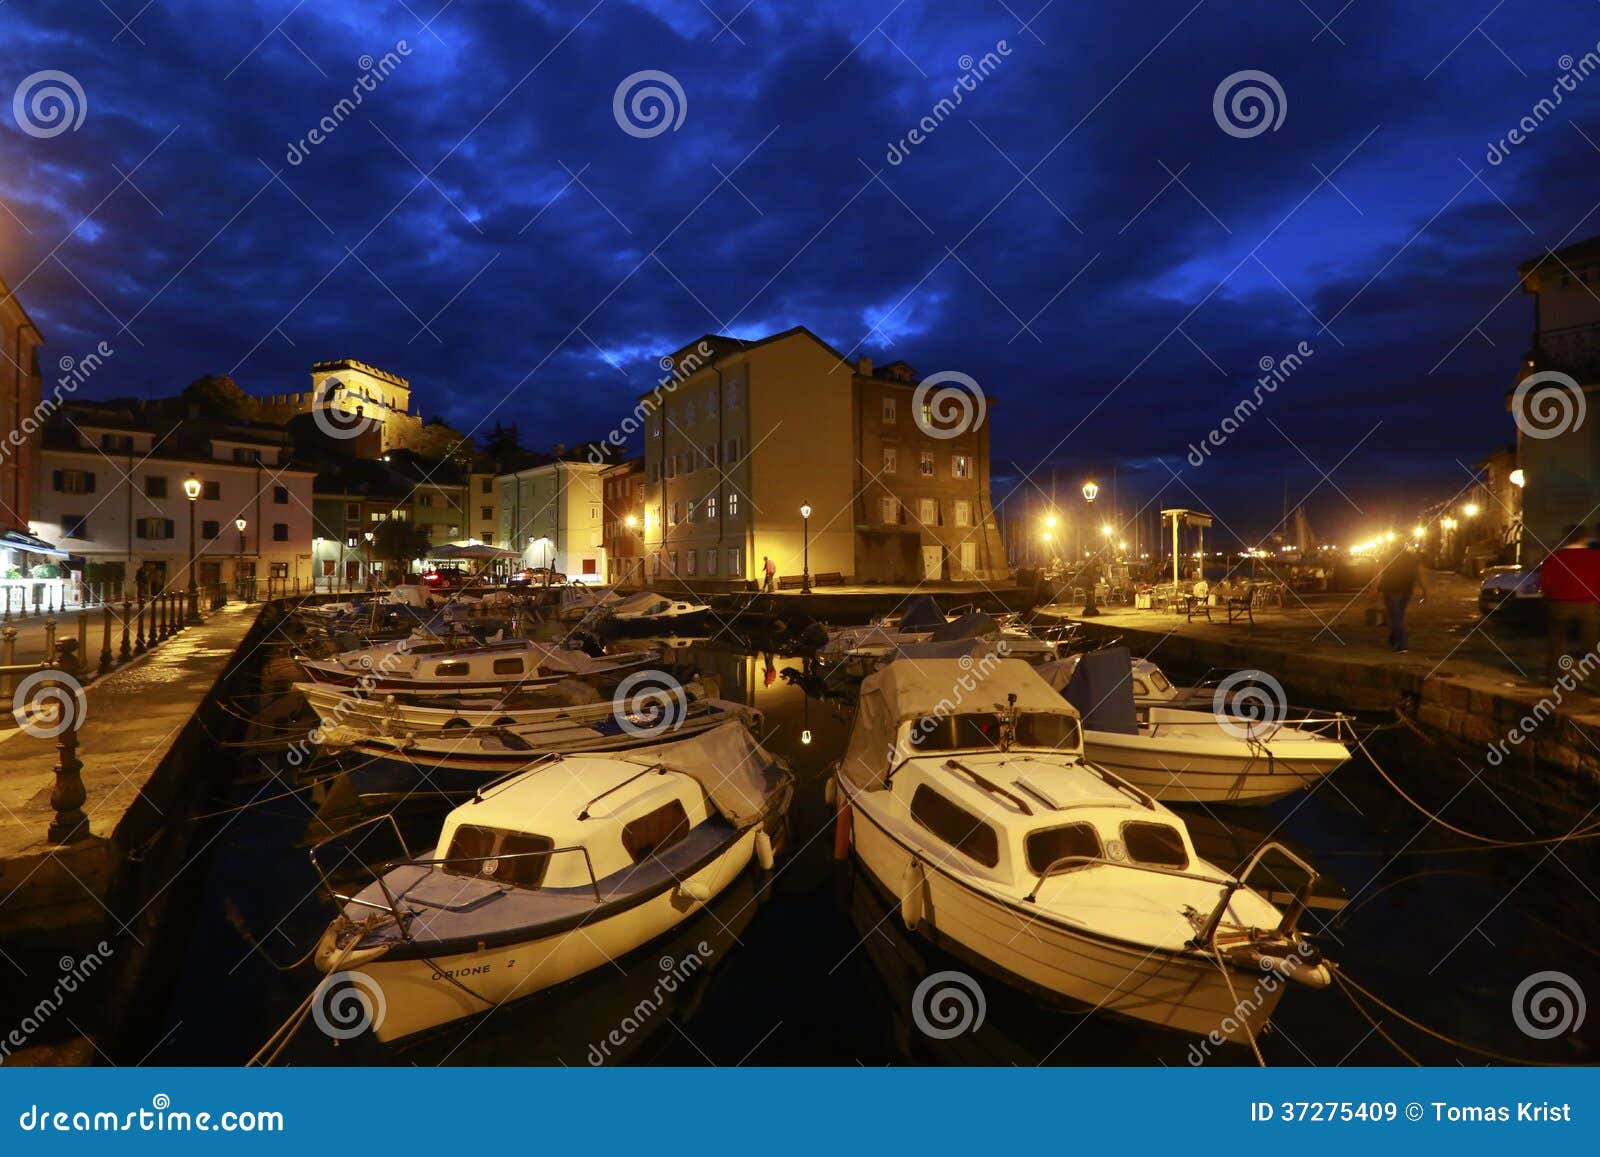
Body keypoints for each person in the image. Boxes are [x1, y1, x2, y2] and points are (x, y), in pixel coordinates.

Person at [1540, 526, 1599, 678]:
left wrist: (1551, 597)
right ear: (1584, 538)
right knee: (1592, 647)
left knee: (1557, 643)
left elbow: (1546, 582)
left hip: (1560, 605)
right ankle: (1597, 682)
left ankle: (1554, 677)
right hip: (1588, 605)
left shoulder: (1555, 557)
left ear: (1567, 538)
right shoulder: (1595, 557)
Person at [1376, 544, 1426, 653]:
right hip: (1406, 591)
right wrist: (1424, 589)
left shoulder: (1386, 556)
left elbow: (1380, 574)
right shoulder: (1412, 557)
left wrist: (1374, 588)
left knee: (1395, 617)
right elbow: (1419, 573)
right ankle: (1394, 640)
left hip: (1390, 590)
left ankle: (1401, 644)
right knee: (1397, 616)